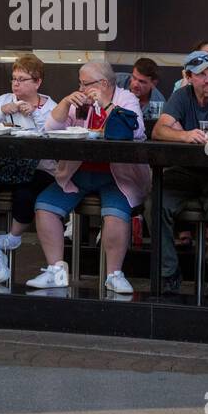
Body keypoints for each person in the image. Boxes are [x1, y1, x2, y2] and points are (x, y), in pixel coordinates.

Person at [29, 61, 150, 295]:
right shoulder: (81, 103)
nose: (81, 88)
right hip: (79, 172)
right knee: (45, 206)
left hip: (118, 176)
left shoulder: (126, 99)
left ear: (103, 83)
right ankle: (56, 271)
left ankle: (114, 275)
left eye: (85, 84)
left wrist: (106, 104)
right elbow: (50, 128)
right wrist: (65, 103)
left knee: (115, 214)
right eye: (80, 83)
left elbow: (133, 131)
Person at [152, 50, 208, 297]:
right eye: (202, 74)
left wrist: (191, 133)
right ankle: (168, 274)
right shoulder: (182, 95)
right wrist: (184, 135)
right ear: (188, 77)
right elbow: (159, 130)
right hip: (186, 172)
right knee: (155, 202)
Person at [0, 54, 57, 283]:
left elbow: (52, 138)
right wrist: (2, 111)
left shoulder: (50, 107)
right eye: (14, 79)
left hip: (38, 169)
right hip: (3, 164)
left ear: (37, 82)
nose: (15, 84)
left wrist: (34, 114)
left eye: (22, 79)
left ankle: (13, 237)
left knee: (25, 193)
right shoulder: (4, 100)